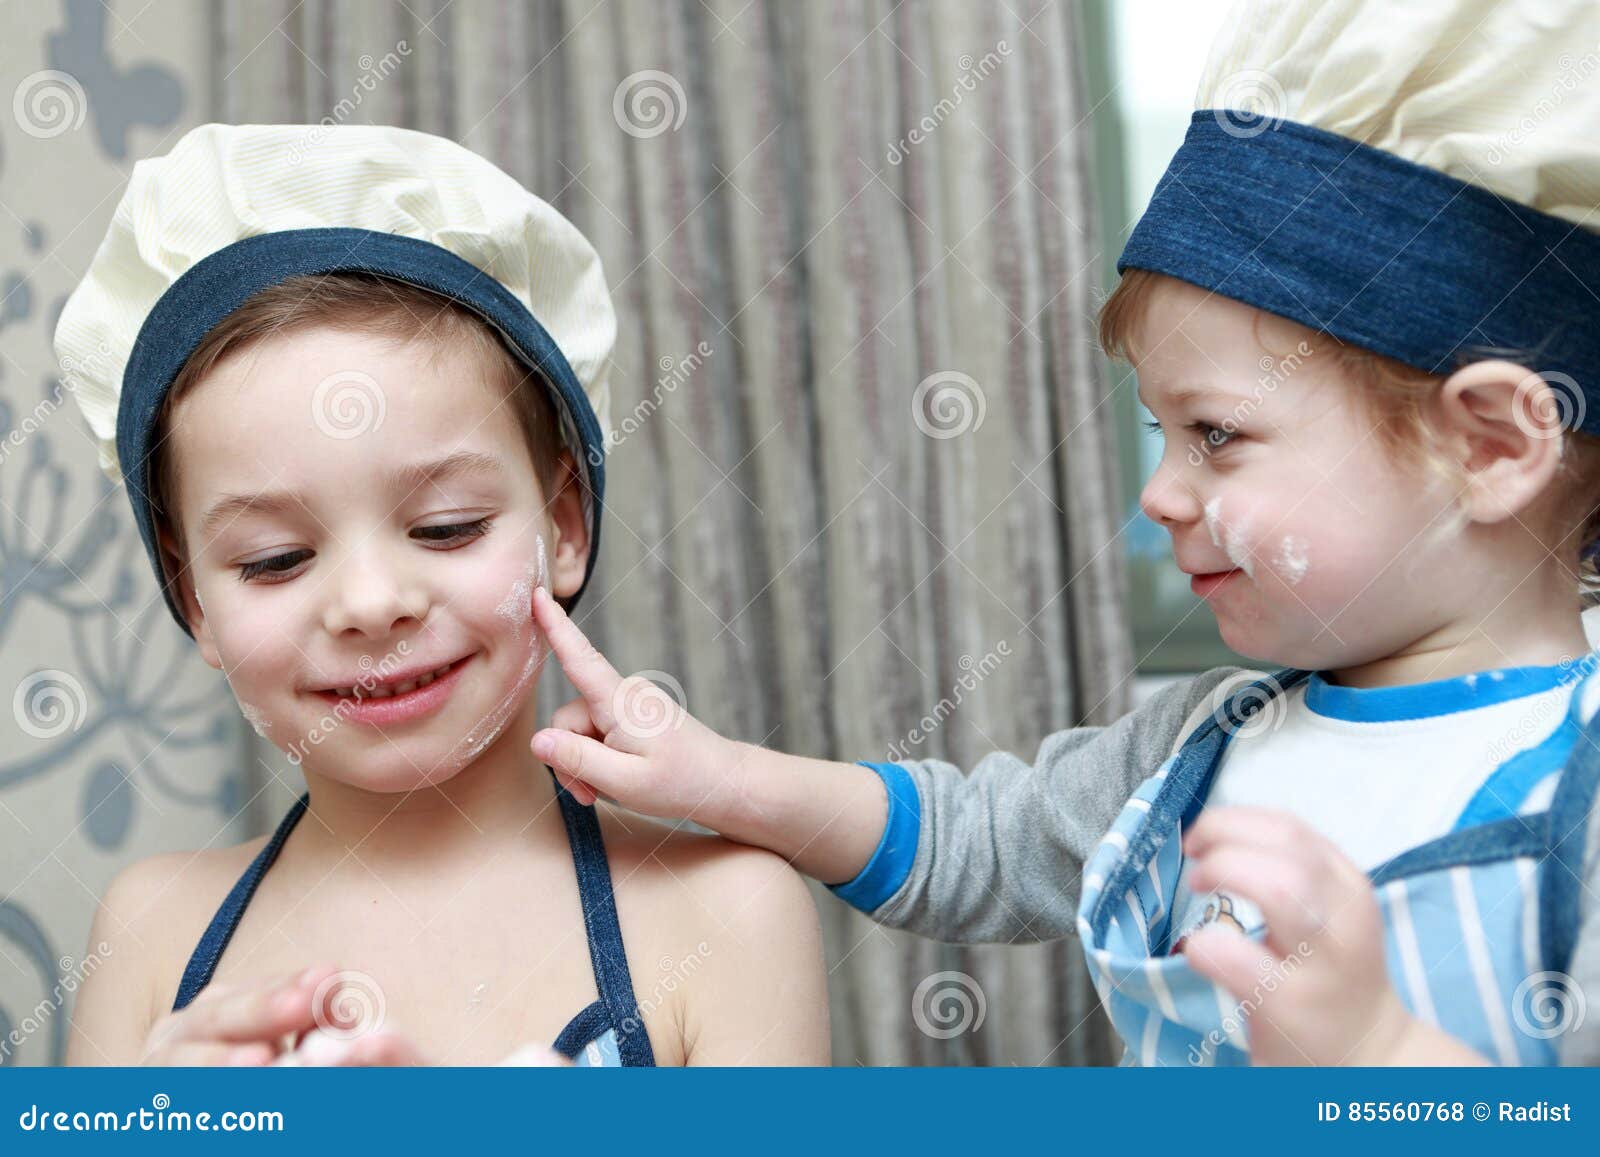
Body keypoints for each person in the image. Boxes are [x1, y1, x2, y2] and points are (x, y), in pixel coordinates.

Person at [528, 0, 1600, 1066]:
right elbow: (974, 844)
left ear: (1491, 448)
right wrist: (720, 779)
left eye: (1217, 435)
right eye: (1159, 433)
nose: (1162, 496)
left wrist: (1376, 1048)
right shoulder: (1200, 744)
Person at [57, 123, 828, 1067]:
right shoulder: (147, 933)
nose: (373, 604)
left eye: (447, 527)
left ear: (566, 524)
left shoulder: (729, 914)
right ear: (194, 596)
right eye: (276, 557)